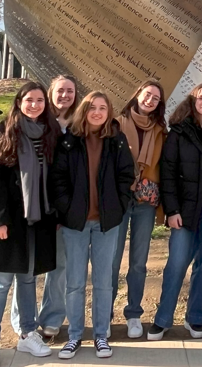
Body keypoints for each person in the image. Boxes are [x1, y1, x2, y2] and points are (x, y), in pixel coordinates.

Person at [0, 82, 61, 367]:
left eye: (39, 100)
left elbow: (57, 177)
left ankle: (27, 333)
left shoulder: (51, 133)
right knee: (0, 282)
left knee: (28, 279)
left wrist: (57, 214)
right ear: (19, 101)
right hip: (10, 220)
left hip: (39, 220)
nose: (35, 105)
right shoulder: (5, 132)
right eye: (29, 100)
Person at [50, 90, 136, 359]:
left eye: (102, 108)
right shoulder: (69, 141)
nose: (97, 112)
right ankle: (75, 335)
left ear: (109, 111)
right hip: (75, 223)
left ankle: (101, 335)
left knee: (103, 282)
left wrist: (119, 206)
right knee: (74, 282)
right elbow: (58, 179)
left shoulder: (116, 140)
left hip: (106, 223)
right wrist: (66, 209)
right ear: (84, 110)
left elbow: (126, 176)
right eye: (92, 108)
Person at [149, 84, 202, 340]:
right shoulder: (178, 133)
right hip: (183, 209)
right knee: (177, 263)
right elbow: (168, 174)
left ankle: (196, 318)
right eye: (200, 98)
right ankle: (162, 319)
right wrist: (171, 210)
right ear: (192, 101)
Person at [10, 75, 77, 340]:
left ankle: (52, 317)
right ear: (50, 93)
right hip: (28, 208)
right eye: (60, 91)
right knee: (26, 267)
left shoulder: (78, 123)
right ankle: (23, 320)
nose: (64, 96)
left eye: (70, 91)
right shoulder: (39, 122)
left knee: (59, 265)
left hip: (57, 208)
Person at [112, 79, 168, 338]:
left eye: (155, 98)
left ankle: (134, 313)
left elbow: (163, 165)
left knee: (138, 262)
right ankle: (105, 314)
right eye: (147, 95)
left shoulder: (159, 129)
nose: (150, 100)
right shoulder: (117, 123)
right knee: (111, 261)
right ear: (137, 95)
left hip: (145, 201)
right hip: (119, 198)